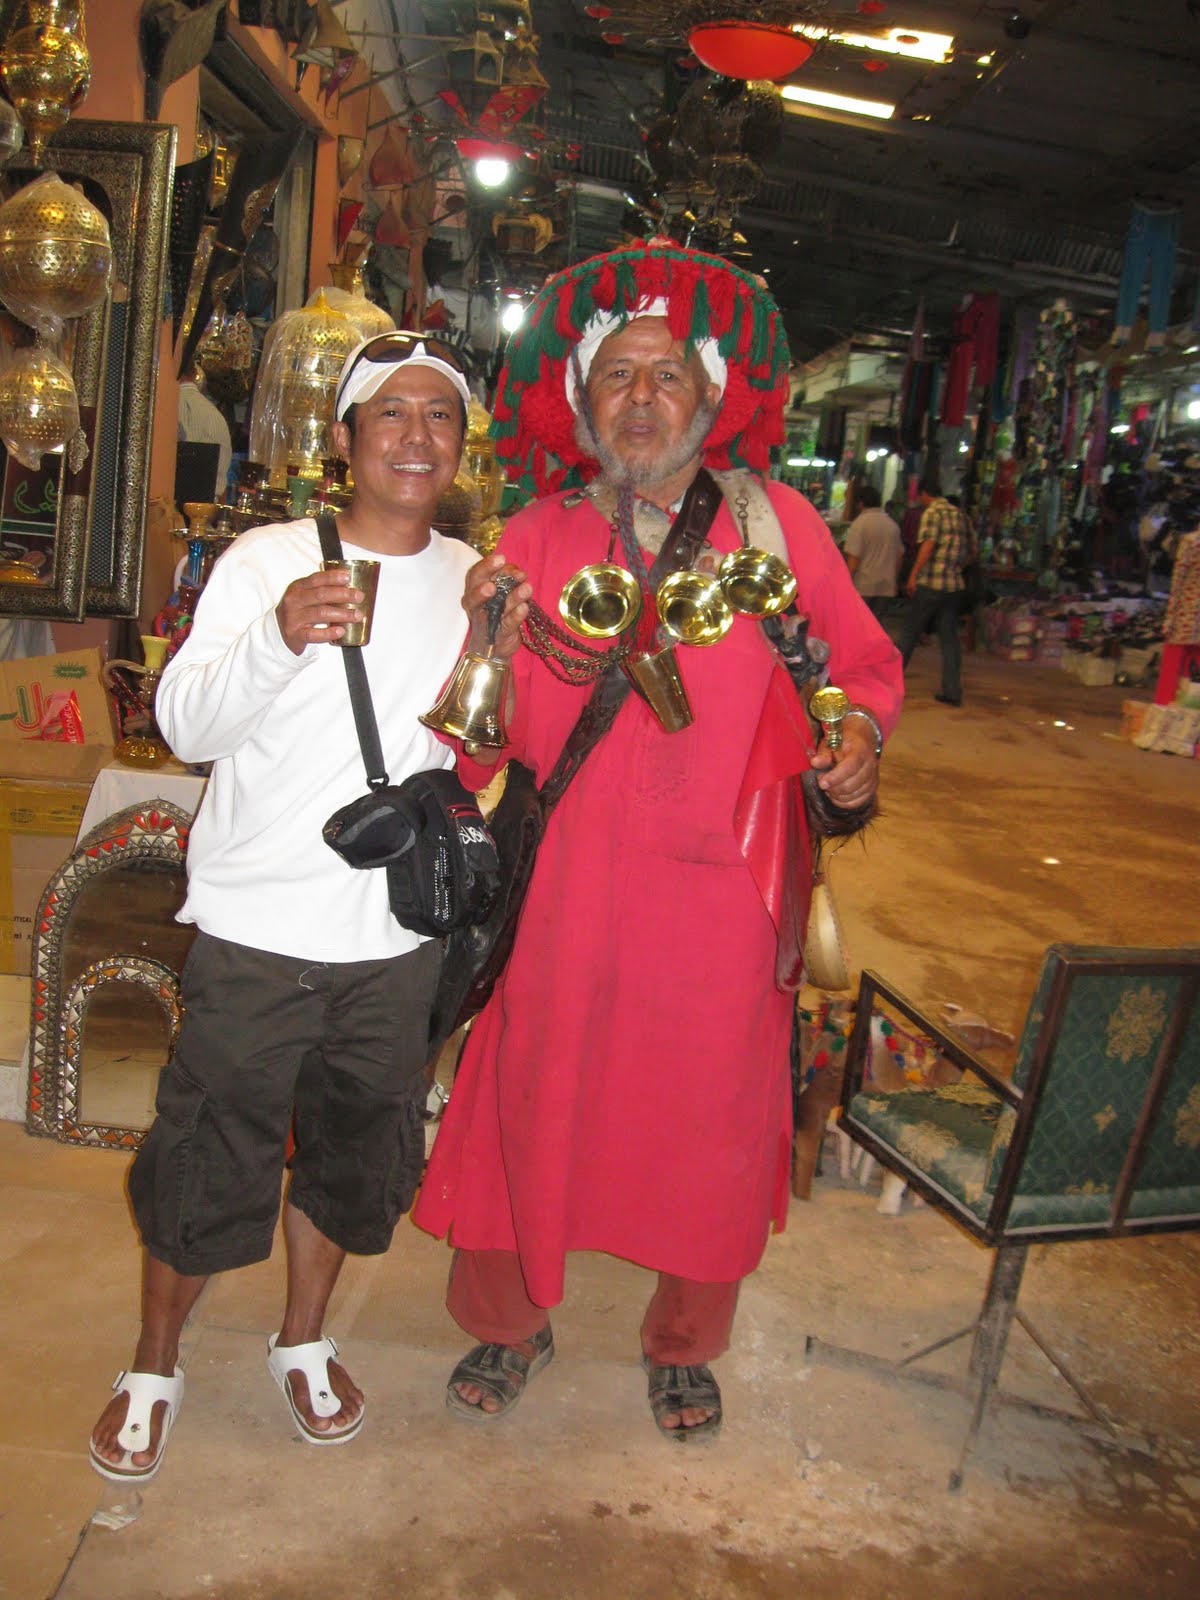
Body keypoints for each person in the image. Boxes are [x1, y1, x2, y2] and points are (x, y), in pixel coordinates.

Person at [413, 242, 903, 1442]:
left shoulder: (778, 525)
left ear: (710, 397)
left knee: (711, 1118)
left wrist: (854, 737)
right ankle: (510, 1319)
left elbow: (860, 670)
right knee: (530, 1087)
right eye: (616, 376)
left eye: (666, 376)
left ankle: (684, 1341)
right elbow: (477, 748)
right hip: (567, 888)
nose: (640, 398)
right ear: (581, 404)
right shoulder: (534, 536)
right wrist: (484, 647)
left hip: (725, 891)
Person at [88, 332, 477, 1484]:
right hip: (257, 934)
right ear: (346, 439)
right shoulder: (267, 559)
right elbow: (184, 723)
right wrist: (278, 634)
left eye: (440, 414)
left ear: (461, 444)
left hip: (394, 939)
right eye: (391, 412)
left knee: (355, 1161)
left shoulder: (473, 576)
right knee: (206, 1155)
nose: (416, 434)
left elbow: (480, 744)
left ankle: (303, 1339)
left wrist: (505, 647)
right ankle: (154, 1361)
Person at [898, 486, 974, 706]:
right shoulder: (961, 515)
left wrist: (913, 575)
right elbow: (972, 552)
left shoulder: (932, 512)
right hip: (953, 586)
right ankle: (952, 691)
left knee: (909, 635)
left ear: (924, 493)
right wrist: (954, 567)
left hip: (931, 583)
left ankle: (890, 685)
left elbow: (928, 546)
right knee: (949, 640)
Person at [842, 483, 902, 620]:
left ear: (860, 503)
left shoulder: (859, 524)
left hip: (863, 585)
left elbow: (853, 559)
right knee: (877, 624)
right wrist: (895, 581)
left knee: (859, 623)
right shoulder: (892, 525)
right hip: (886, 586)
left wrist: (845, 584)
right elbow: (899, 557)